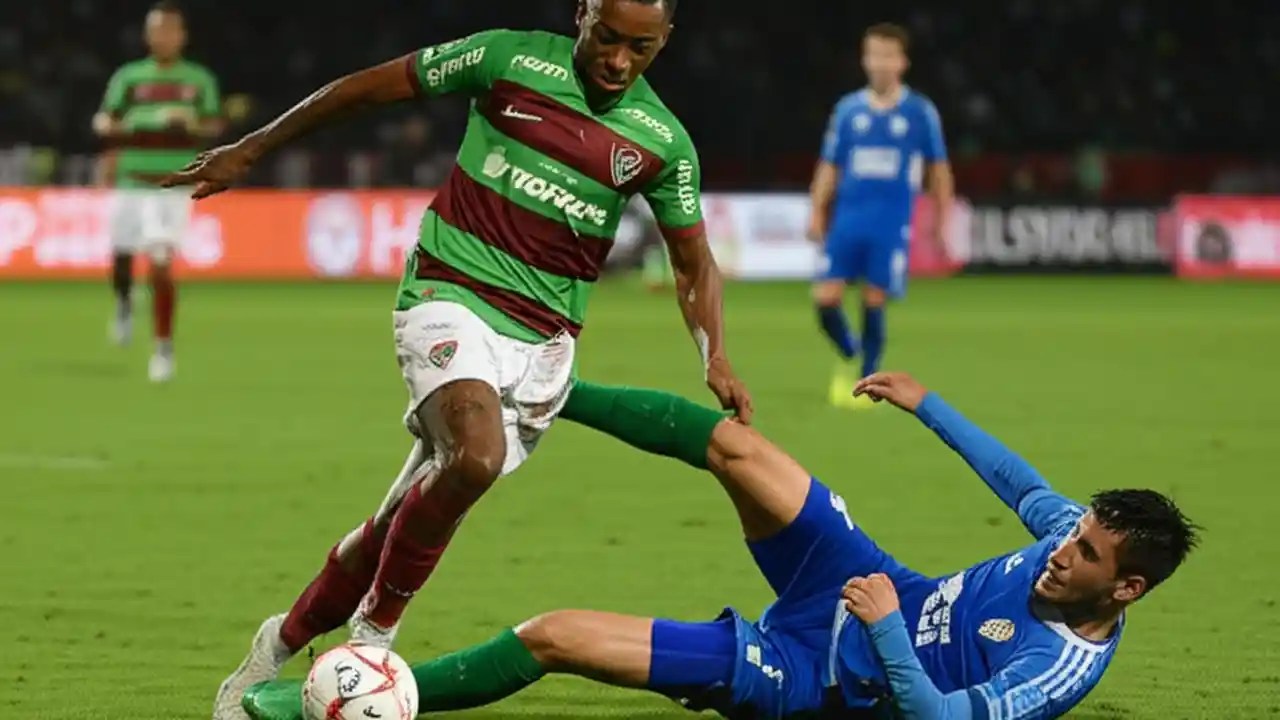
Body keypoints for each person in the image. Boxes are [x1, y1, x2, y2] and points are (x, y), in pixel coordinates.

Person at [158, 2, 754, 719]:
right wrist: (254, 146)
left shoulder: (661, 143)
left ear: (664, 44)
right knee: (474, 458)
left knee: (394, 530)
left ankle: (277, 644)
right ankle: (374, 644)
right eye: (607, 38)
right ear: (581, 16)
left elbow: (693, 261)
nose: (619, 61)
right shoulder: (507, 59)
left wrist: (713, 353)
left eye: (641, 48)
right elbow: (365, 88)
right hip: (448, 294)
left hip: (539, 350)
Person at [241, 371, 1198, 720]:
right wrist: (930, 407)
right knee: (734, 447)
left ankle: (305, 708)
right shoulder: (1074, 540)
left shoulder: (1056, 668)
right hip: (868, 582)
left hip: (817, 677)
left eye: (1085, 557)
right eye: (1073, 536)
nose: (1061, 551)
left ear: (1130, 591)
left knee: (552, 635)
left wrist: (890, 634)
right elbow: (1020, 484)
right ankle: (536, 389)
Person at [807, 23, 954, 409]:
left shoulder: (919, 112)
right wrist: (817, 210)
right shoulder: (848, 110)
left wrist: (941, 220)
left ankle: (867, 377)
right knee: (825, 299)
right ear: (864, 59)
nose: (881, 63)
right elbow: (830, 165)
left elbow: (938, 170)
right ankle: (851, 350)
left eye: (889, 55)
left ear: (902, 62)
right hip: (848, 219)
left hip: (890, 222)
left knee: (874, 299)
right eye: (874, 54)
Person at [93, 0, 222, 382]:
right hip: (131, 183)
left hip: (171, 185)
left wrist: (192, 121)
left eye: (171, 30)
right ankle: (122, 302)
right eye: (157, 30)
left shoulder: (198, 80)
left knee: (162, 264)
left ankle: (163, 349)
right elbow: (104, 121)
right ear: (148, 36)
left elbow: (215, 126)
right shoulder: (130, 77)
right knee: (120, 257)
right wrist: (144, 120)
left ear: (182, 36)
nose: (164, 37)